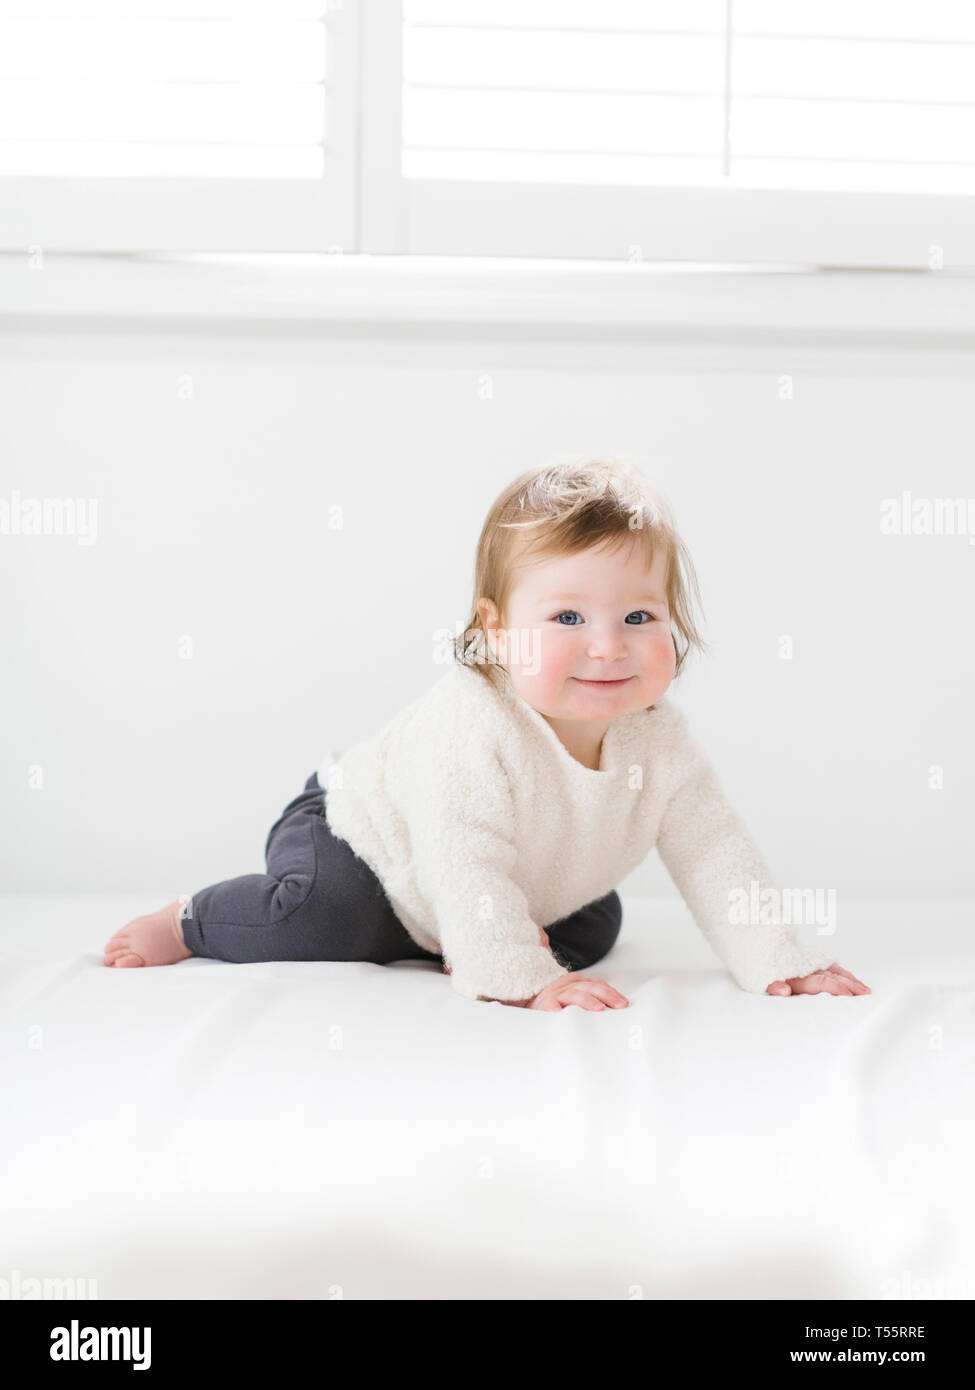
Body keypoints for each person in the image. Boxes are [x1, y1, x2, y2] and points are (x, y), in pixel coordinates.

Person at [103, 458, 870, 1010]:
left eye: (638, 617)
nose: (607, 645)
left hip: (515, 871)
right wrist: (517, 974)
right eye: (567, 618)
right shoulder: (469, 728)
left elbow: (713, 852)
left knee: (594, 923)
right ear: (495, 632)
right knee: (324, 914)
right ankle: (189, 919)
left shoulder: (658, 740)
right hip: (367, 840)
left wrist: (777, 961)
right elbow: (457, 853)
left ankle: (465, 936)